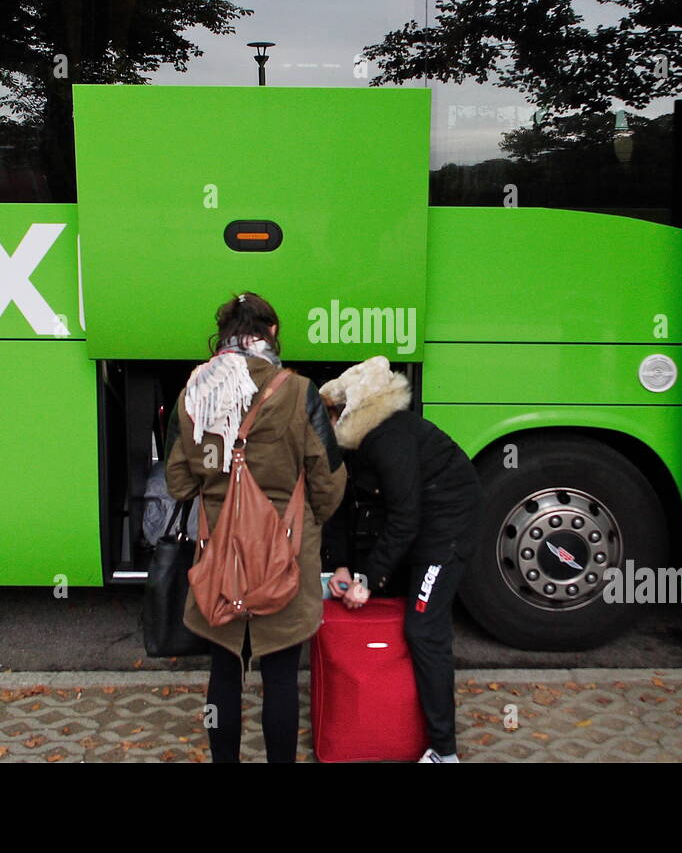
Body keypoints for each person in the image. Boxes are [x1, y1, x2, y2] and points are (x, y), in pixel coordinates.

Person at [165, 292, 346, 763]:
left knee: (224, 673)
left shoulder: (192, 393)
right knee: (282, 676)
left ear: (223, 334)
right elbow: (327, 477)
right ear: (270, 333)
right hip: (285, 553)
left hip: (219, 553)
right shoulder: (299, 391)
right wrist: (306, 522)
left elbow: (179, 481)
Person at [319, 355, 484, 763]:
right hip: (417, 522)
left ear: (348, 410)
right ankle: (390, 722)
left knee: (424, 629)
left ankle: (444, 752)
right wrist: (341, 565)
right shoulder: (352, 443)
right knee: (395, 612)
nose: (326, 421)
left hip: (447, 528)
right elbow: (342, 505)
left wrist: (368, 579)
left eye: (331, 413)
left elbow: (405, 517)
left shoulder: (388, 437)